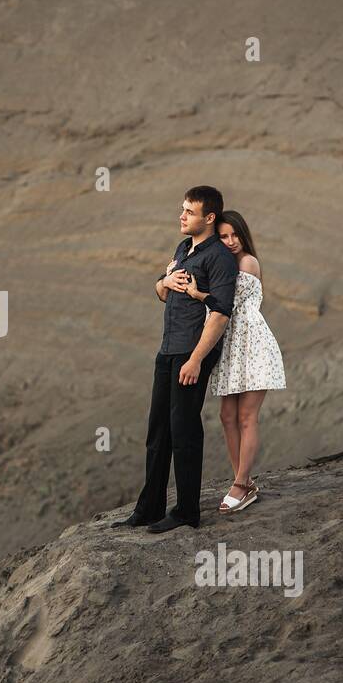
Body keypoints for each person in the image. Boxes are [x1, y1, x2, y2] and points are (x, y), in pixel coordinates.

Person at [113, 185, 237, 533]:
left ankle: (186, 511)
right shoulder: (183, 248)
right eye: (182, 209)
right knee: (158, 431)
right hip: (168, 348)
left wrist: (197, 359)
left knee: (184, 430)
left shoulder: (219, 259)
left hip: (191, 352)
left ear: (209, 218)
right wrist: (164, 280)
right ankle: (150, 507)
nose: (181, 216)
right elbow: (163, 293)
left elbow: (221, 314)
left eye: (190, 212)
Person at [183, 210, 286, 514]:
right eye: (223, 236)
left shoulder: (247, 262)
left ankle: (241, 485)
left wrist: (197, 292)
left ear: (243, 235)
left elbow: (225, 303)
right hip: (231, 348)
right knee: (227, 416)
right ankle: (244, 481)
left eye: (234, 235)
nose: (229, 242)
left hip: (253, 347)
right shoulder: (225, 264)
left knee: (246, 417)